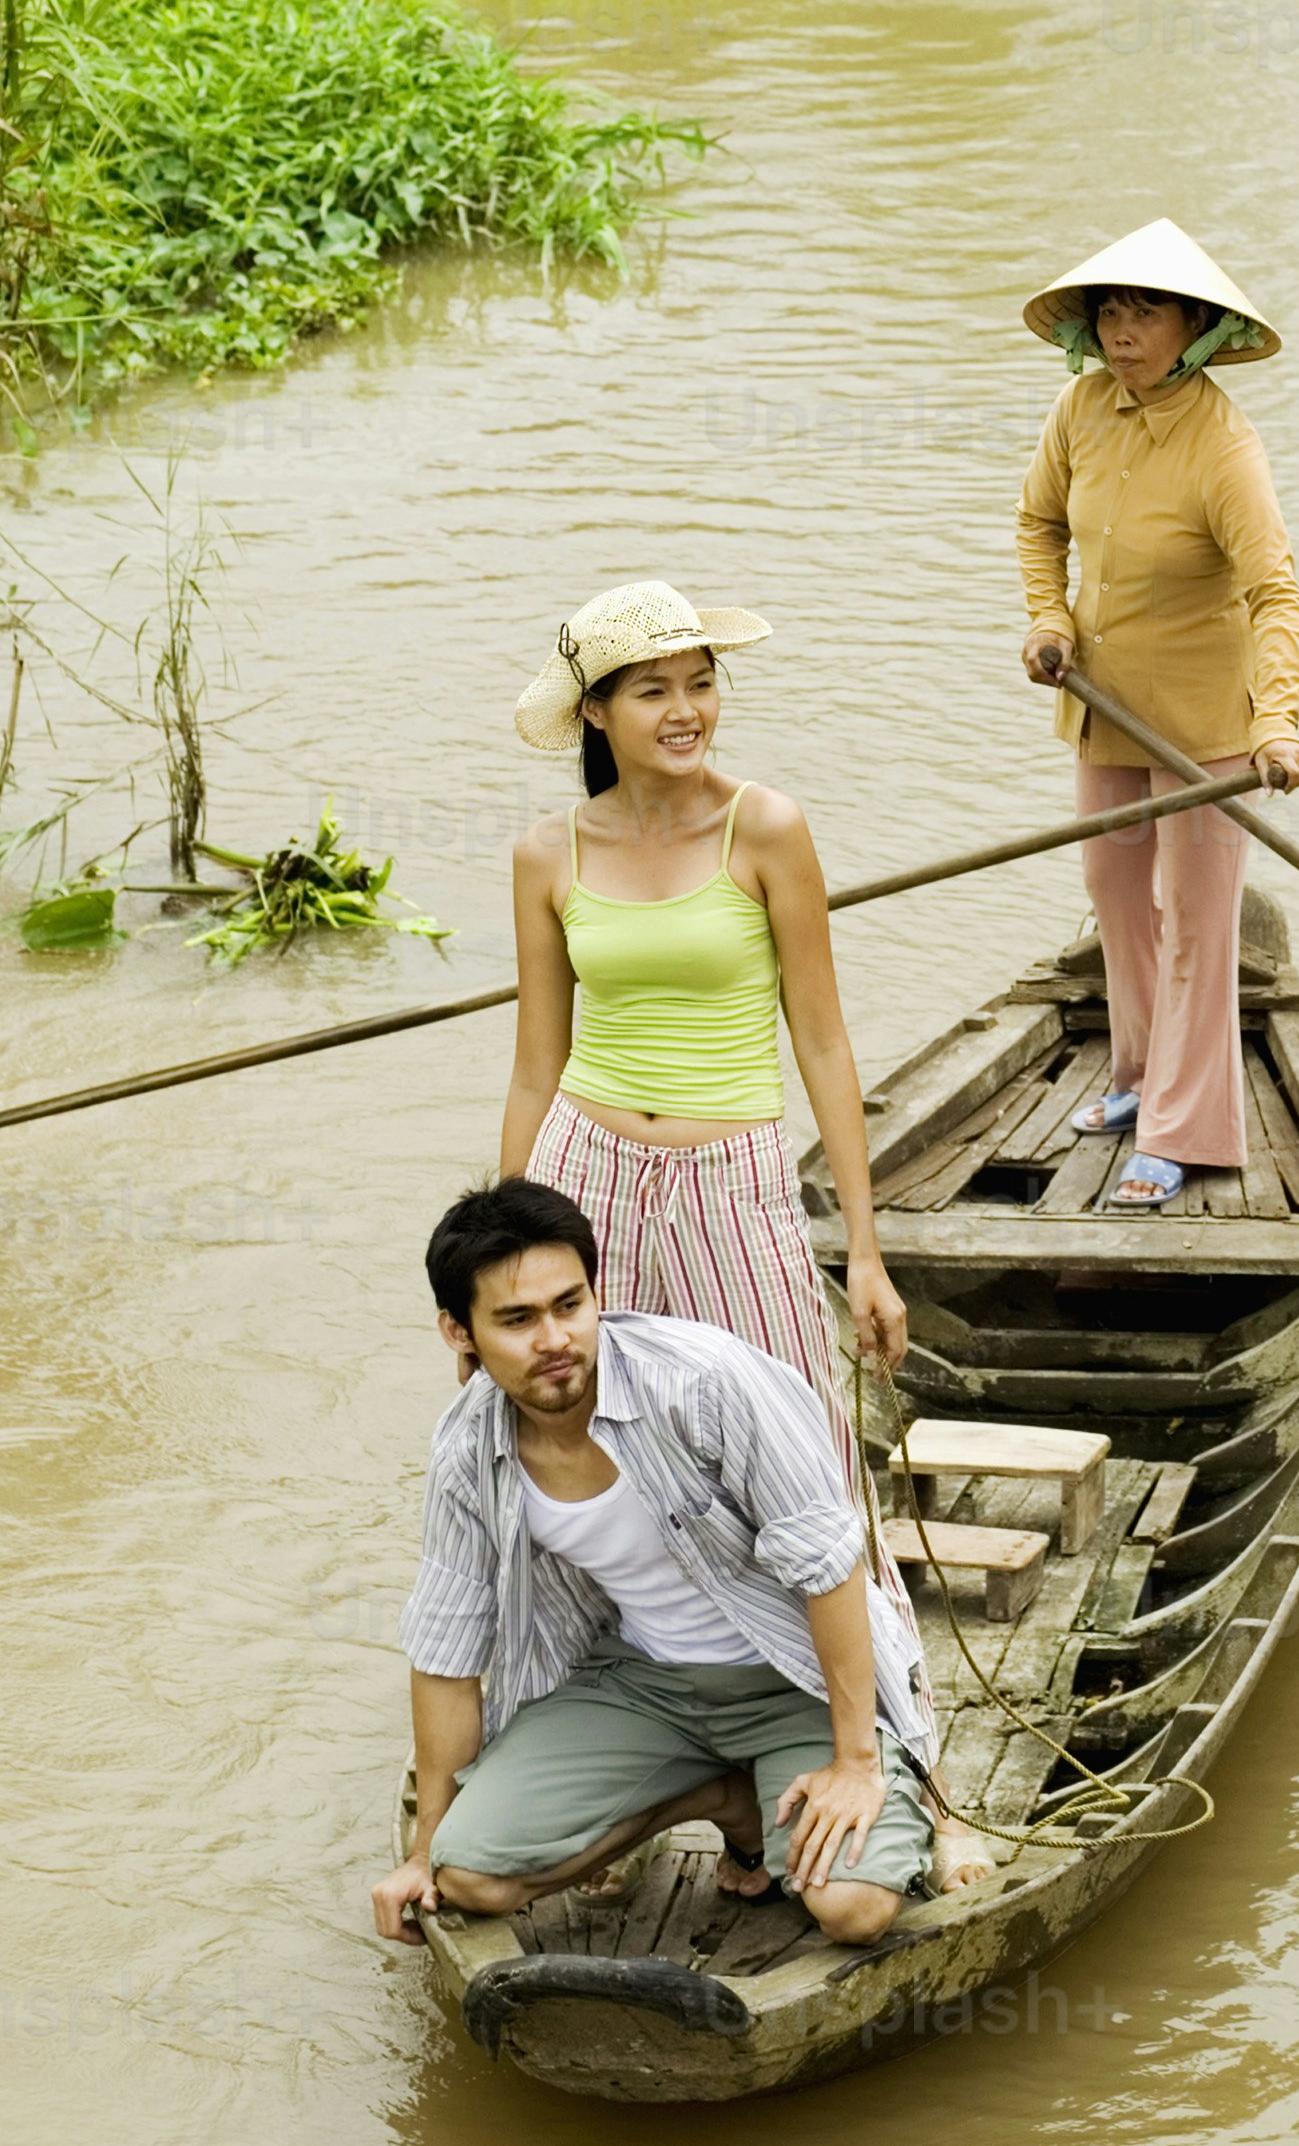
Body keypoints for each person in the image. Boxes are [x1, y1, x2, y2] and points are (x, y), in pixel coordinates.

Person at [372, 1180, 938, 1954]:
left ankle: (877, 1792)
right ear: (457, 1331)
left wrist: (854, 1762)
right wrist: (420, 1851)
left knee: (850, 1905)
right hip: (644, 1681)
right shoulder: (467, 1447)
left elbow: (829, 1564)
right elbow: (445, 1648)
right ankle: (715, 1795)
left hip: (791, 1675)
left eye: (569, 1304)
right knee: (468, 1876)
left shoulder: (701, 1381)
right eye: (517, 1319)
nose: (554, 1338)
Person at [498, 577, 908, 1409]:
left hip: (731, 1176)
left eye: (701, 682)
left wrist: (864, 1249)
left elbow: (823, 1042)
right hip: (584, 1169)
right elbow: (536, 1070)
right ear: (596, 711)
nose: (686, 710)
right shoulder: (547, 852)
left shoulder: (764, 827)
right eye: (654, 690)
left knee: (787, 1423)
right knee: (582, 1425)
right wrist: (499, 1255)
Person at [1012, 215, 1299, 1214]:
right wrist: (1048, 620)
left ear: (1196, 325)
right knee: (1112, 889)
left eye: (1146, 308)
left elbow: (1276, 595)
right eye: (1109, 308)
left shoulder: (1225, 447)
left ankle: (1183, 1128)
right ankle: (1136, 1075)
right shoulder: (1078, 409)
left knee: (1196, 918)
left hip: (1205, 728)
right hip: (1101, 704)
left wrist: (1275, 722)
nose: (1121, 326)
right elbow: (1038, 522)